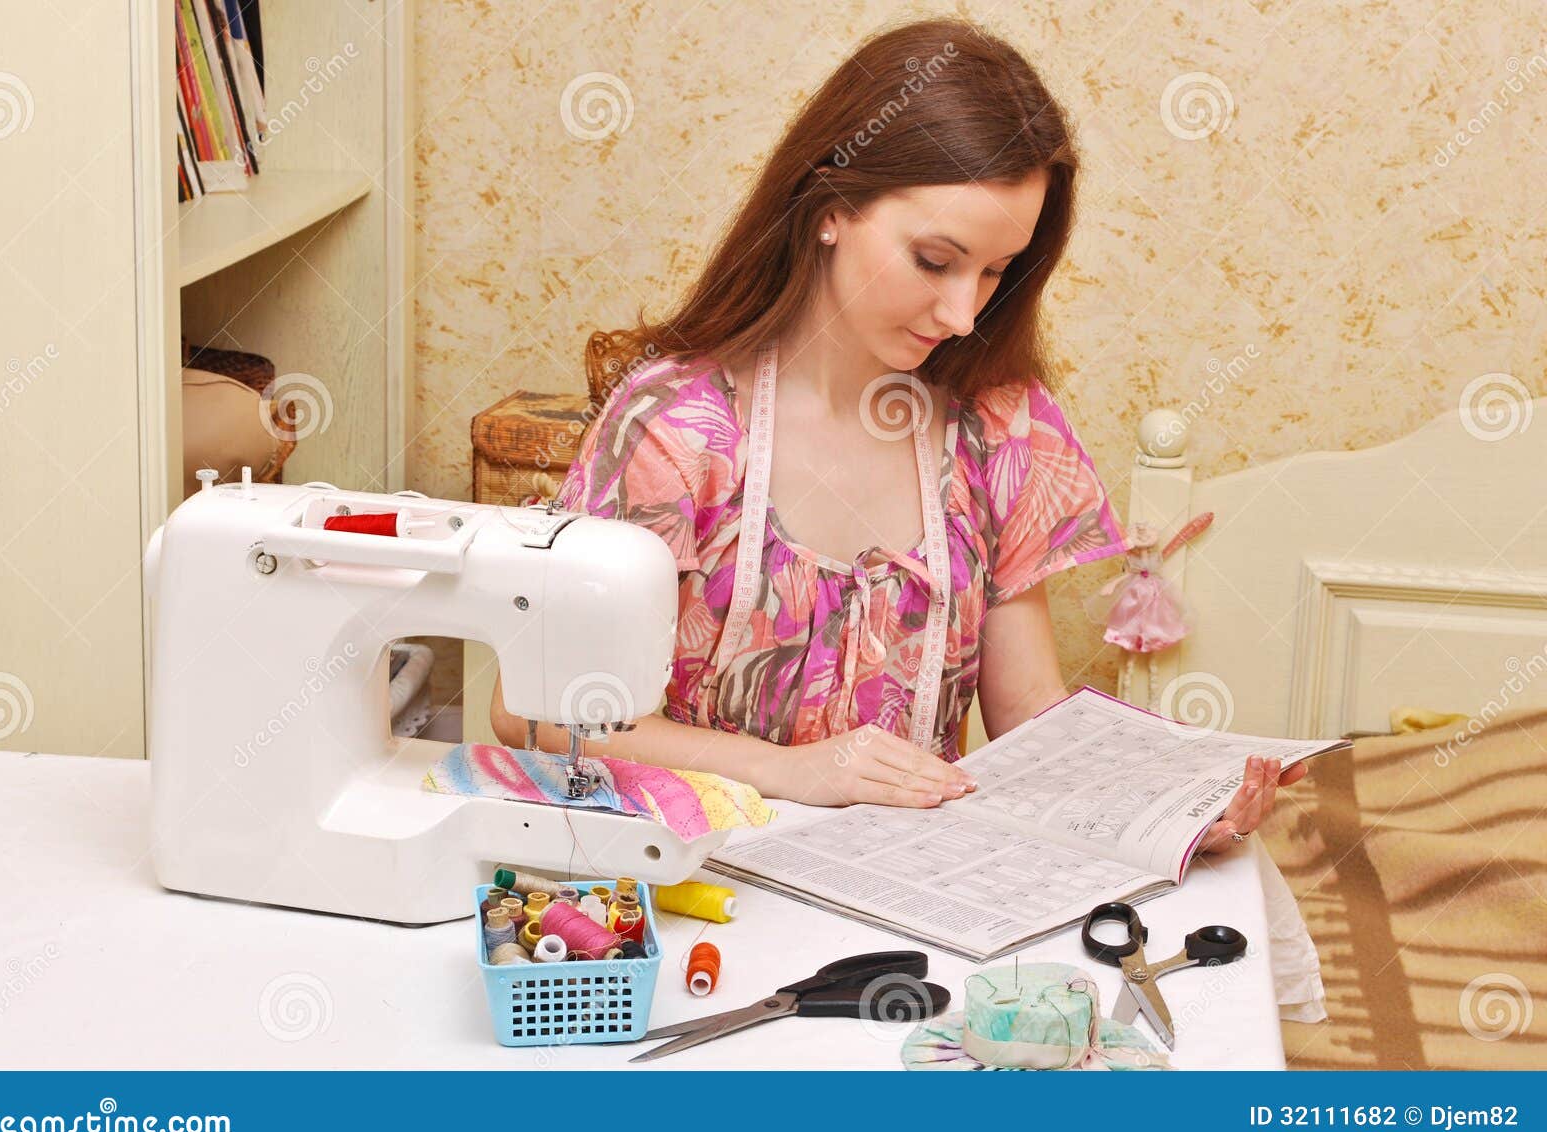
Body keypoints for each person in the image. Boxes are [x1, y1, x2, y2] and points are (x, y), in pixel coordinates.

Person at [491, 16, 1307, 855]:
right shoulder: (676, 431)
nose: (963, 316)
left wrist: (1162, 810)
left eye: (995, 272)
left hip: (912, 896)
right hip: (702, 882)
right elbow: (538, 711)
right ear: (830, 206)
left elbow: (1029, 714)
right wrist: (800, 769)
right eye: (934, 260)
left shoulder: (1001, 427)